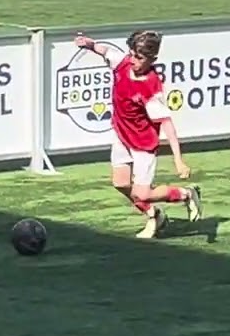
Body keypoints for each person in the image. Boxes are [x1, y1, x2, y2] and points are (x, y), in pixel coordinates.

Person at [72, 29, 203, 239]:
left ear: (152, 59)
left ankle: (187, 194)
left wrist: (178, 160)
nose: (133, 60)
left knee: (143, 194)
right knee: (121, 183)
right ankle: (155, 215)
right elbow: (104, 50)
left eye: (139, 57)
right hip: (122, 135)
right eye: (132, 54)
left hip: (143, 143)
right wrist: (89, 44)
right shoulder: (121, 63)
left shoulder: (151, 87)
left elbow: (167, 124)